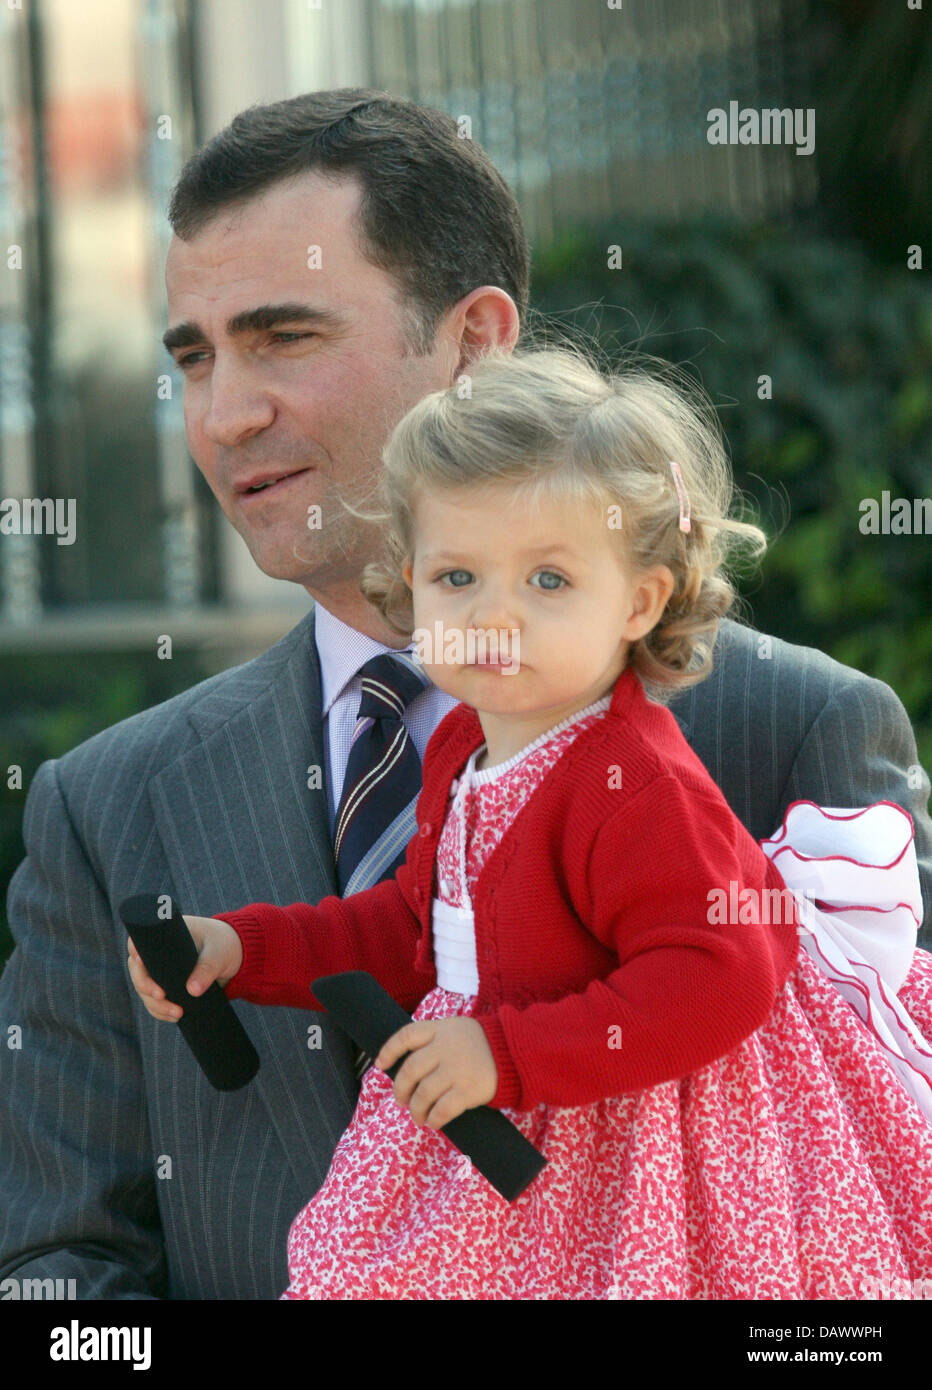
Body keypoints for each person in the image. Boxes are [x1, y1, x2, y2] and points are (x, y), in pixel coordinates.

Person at [1, 90, 930, 1302]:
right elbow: (60, 1273)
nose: (224, 415)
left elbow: (880, 1192)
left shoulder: (789, 728)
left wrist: (512, 1053)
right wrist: (247, 947)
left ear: (475, 344)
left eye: (284, 337)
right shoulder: (100, 802)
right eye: (194, 355)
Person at [129, 345, 932, 1300]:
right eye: (458, 578)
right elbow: (413, 932)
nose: (495, 615)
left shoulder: (634, 779)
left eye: (547, 581)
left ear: (640, 601)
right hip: (503, 1116)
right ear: (410, 583)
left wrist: (508, 1054)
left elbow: (722, 975)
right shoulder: (465, 744)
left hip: (625, 1142)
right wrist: (244, 948)